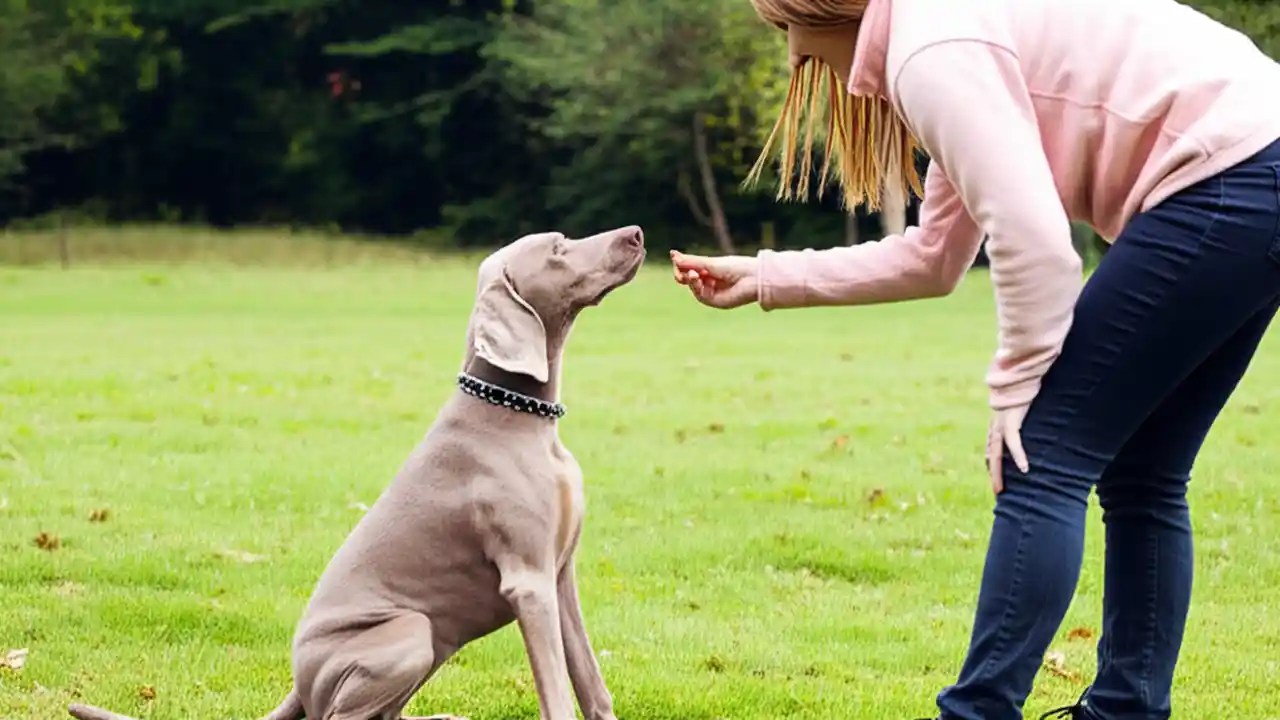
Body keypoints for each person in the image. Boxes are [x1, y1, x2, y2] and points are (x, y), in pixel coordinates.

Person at [668, 0, 1280, 718]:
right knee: (1144, 471)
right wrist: (767, 277)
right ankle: (1125, 708)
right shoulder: (949, 31)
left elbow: (1037, 243)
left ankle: (977, 712)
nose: (793, 54)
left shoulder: (931, 48)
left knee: (1039, 453)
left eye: (786, 27)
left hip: (1227, 178)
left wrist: (1015, 387)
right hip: (1255, 169)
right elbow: (933, 257)